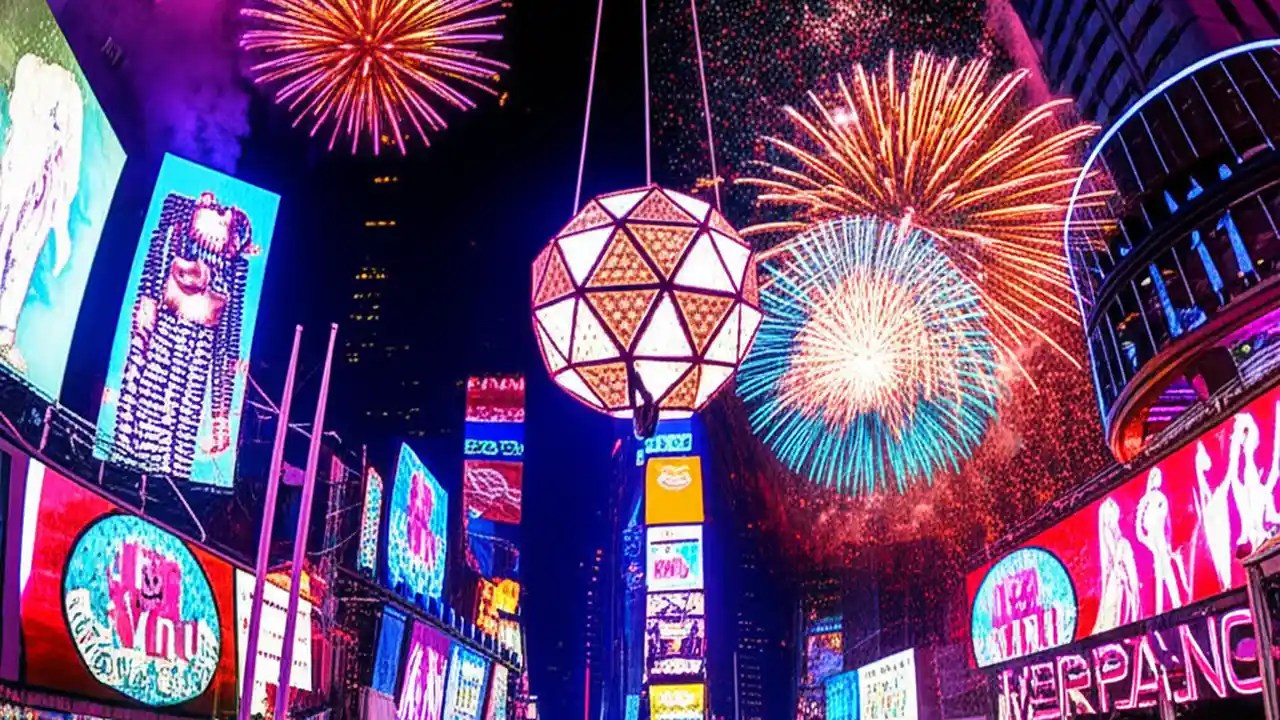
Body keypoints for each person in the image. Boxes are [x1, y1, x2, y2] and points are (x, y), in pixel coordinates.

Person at [112, 192, 256, 480]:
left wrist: (220, 418)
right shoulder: (173, 234)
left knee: (173, 457)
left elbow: (226, 350)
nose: (220, 210)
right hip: (158, 346)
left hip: (195, 362)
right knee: (134, 441)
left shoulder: (232, 272)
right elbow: (149, 292)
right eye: (217, 209)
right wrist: (142, 335)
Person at [0, 54, 83, 373]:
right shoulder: (31, 71)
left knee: (23, 257)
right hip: (19, 171)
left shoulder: (70, 97)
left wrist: (59, 223)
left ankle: (5, 335)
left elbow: (69, 159)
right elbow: (18, 111)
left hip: (41, 186)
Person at [1137, 468, 1188, 615]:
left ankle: (1175, 604)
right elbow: (1139, 528)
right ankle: (1161, 609)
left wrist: (1167, 543)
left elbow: (1167, 524)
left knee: (1166, 572)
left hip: (1161, 541)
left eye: (1160, 476)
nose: (1159, 479)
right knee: (1159, 574)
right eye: (1157, 476)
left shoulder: (1161, 498)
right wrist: (1148, 542)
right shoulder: (1146, 501)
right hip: (1154, 541)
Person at [1093, 497, 1139, 634]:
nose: (1112, 517)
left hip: (1119, 576)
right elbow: (1115, 556)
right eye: (1109, 514)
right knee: (1112, 610)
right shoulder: (1108, 533)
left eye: (1113, 513)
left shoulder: (1116, 533)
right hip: (1116, 577)